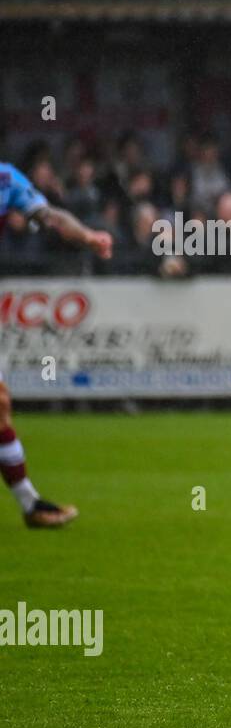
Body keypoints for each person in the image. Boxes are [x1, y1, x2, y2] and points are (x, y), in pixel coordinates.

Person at [0, 161, 113, 527]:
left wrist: (87, 236)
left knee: (0, 406)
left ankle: (31, 505)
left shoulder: (5, 177)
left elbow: (50, 216)